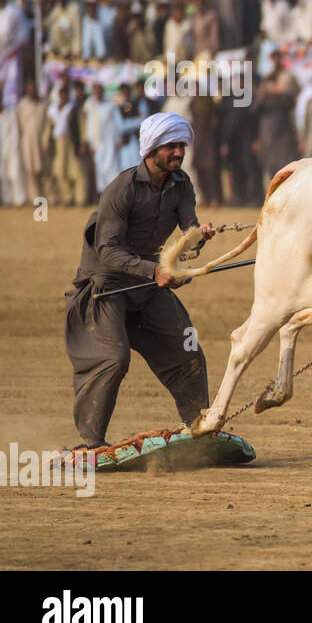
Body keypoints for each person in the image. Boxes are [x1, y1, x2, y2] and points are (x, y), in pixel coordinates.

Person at [63, 112, 214, 448]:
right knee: (113, 360)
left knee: (188, 349)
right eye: (171, 146)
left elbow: (188, 234)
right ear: (151, 150)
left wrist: (199, 237)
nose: (178, 152)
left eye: (181, 145)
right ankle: (91, 443)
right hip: (105, 287)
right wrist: (155, 271)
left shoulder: (182, 184)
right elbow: (107, 251)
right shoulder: (122, 189)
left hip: (149, 284)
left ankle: (200, 428)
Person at [16, 81, 49, 202]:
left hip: (42, 143)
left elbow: (47, 124)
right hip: (27, 143)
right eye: (29, 89)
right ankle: (35, 198)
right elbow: (19, 125)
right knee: (30, 171)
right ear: (26, 90)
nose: (32, 91)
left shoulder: (44, 103)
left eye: (34, 89)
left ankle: (48, 197)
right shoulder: (22, 105)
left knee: (44, 170)